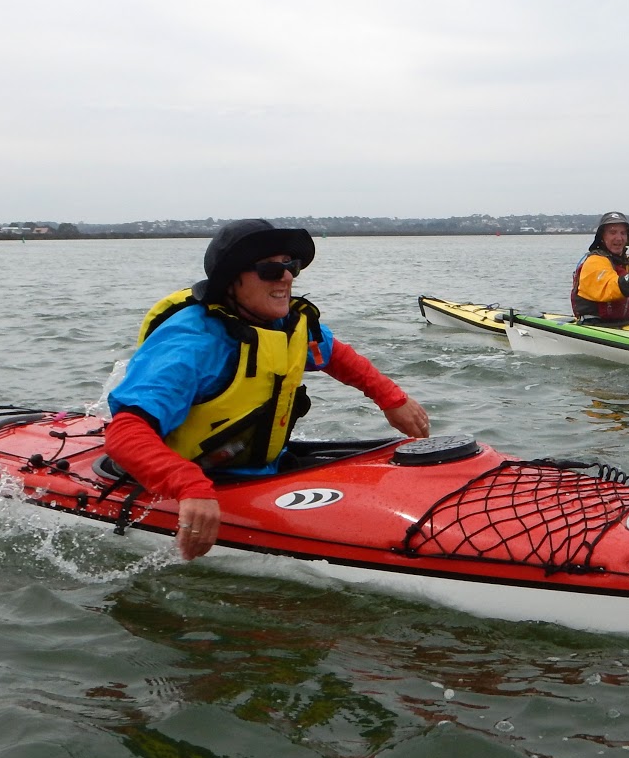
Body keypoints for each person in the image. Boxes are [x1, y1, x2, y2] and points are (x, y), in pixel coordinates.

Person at [104, 219, 431, 560]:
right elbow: (125, 434)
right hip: (195, 480)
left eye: (291, 267)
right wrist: (190, 487)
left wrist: (392, 398)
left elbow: (335, 354)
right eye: (271, 270)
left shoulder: (284, 323)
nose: (287, 277)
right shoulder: (189, 342)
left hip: (259, 474)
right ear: (233, 280)